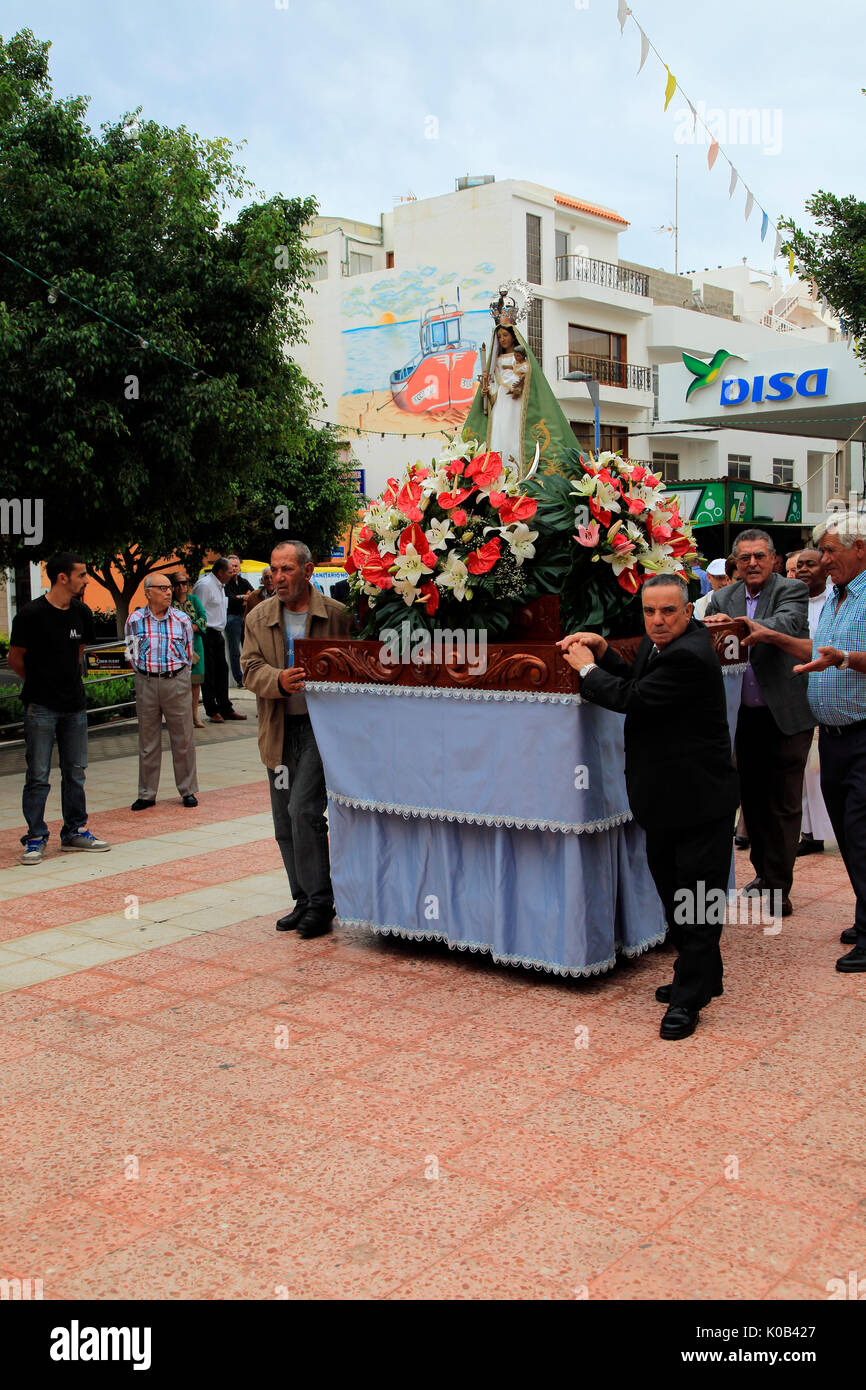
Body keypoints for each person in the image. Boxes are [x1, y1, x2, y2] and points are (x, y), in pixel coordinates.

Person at [559, 576, 739, 1040]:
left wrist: (584, 670)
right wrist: (602, 652)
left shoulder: (690, 654)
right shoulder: (660, 647)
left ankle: (688, 1000)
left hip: (699, 802)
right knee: (675, 894)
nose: (657, 620)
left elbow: (632, 698)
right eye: (650, 611)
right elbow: (638, 680)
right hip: (664, 800)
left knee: (697, 902)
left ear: (687, 612)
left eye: (668, 612)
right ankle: (698, 977)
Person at [241, 540, 349, 939]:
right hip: (278, 730)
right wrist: (278, 680)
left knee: (304, 810)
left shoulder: (336, 615)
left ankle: (321, 902)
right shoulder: (259, 617)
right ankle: (302, 899)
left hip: (321, 732)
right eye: (273, 569)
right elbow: (250, 669)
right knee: (284, 821)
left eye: (287, 569)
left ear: (308, 571)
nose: (278, 577)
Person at [703, 529, 813, 917]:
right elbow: (708, 643)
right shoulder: (722, 596)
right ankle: (763, 875)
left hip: (786, 715)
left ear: (774, 559)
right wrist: (714, 627)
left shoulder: (791, 590)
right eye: (745, 557)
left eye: (760, 556)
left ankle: (779, 887)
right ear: (735, 562)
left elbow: (785, 624)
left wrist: (736, 625)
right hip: (743, 718)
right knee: (752, 800)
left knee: (782, 803)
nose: (752, 563)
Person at [8, 553, 110, 863]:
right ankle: (36, 836)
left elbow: (78, 651)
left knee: (75, 772)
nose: (87, 580)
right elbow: (16, 658)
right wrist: (40, 683)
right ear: (62, 578)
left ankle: (75, 831)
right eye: (82, 575)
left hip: (74, 706)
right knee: (38, 775)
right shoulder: (30, 614)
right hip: (40, 707)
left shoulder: (81, 611)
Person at [125, 575, 199, 810]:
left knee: (183, 738)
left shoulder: (182, 619)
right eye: (163, 588)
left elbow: (188, 655)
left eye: (170, 588)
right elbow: (130, 654)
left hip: (176, 681)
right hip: (146, 682)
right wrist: (143, 675)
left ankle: (188, 790)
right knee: (148, 741)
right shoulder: (135, 620)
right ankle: (147, 794)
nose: (169, 592)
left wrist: (180, 677)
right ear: (148, 592)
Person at [792, 548, 835, 856]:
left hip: (831, 688)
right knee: (804, 770)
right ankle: (808, 833)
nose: (804, 570)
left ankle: (822, 830)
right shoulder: (791, 601)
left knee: (817, 770)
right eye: (798, 566)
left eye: (810, 564)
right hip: (797, 692)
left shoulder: (836, 599)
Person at [193, 559, 247, 724]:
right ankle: (212, 709)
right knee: (209, 672)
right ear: (220, 572)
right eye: (230, 571)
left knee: (222, 670)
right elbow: (198, 610)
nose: (233, 574)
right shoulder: (205, 585)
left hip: (217, 633)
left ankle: (226, 707)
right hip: (206, 632)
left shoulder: (220, 586)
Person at [170, 573, 208, 728]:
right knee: (178, 683)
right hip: (177, 647)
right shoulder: (170, 603)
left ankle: (194, 716)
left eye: (184, 583)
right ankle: (180, 717)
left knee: (195, 683)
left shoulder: (194, 600)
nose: (181, 587)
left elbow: (203, 617)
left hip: (196, 645)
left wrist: (192, 627)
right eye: (177, 584)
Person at [224, 554, 253, 689]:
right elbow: (230, 599)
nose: (234, 569)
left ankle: (249, 677)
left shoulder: (243, 581)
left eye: (236, 566)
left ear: (239, 568)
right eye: (231, 566)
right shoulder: (225, 583)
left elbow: (254, 595)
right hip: (232, 618)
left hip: (244, 617)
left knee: (248, 649)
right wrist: (243, 597)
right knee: (235, 650)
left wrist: (241, 598)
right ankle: (239, 679)